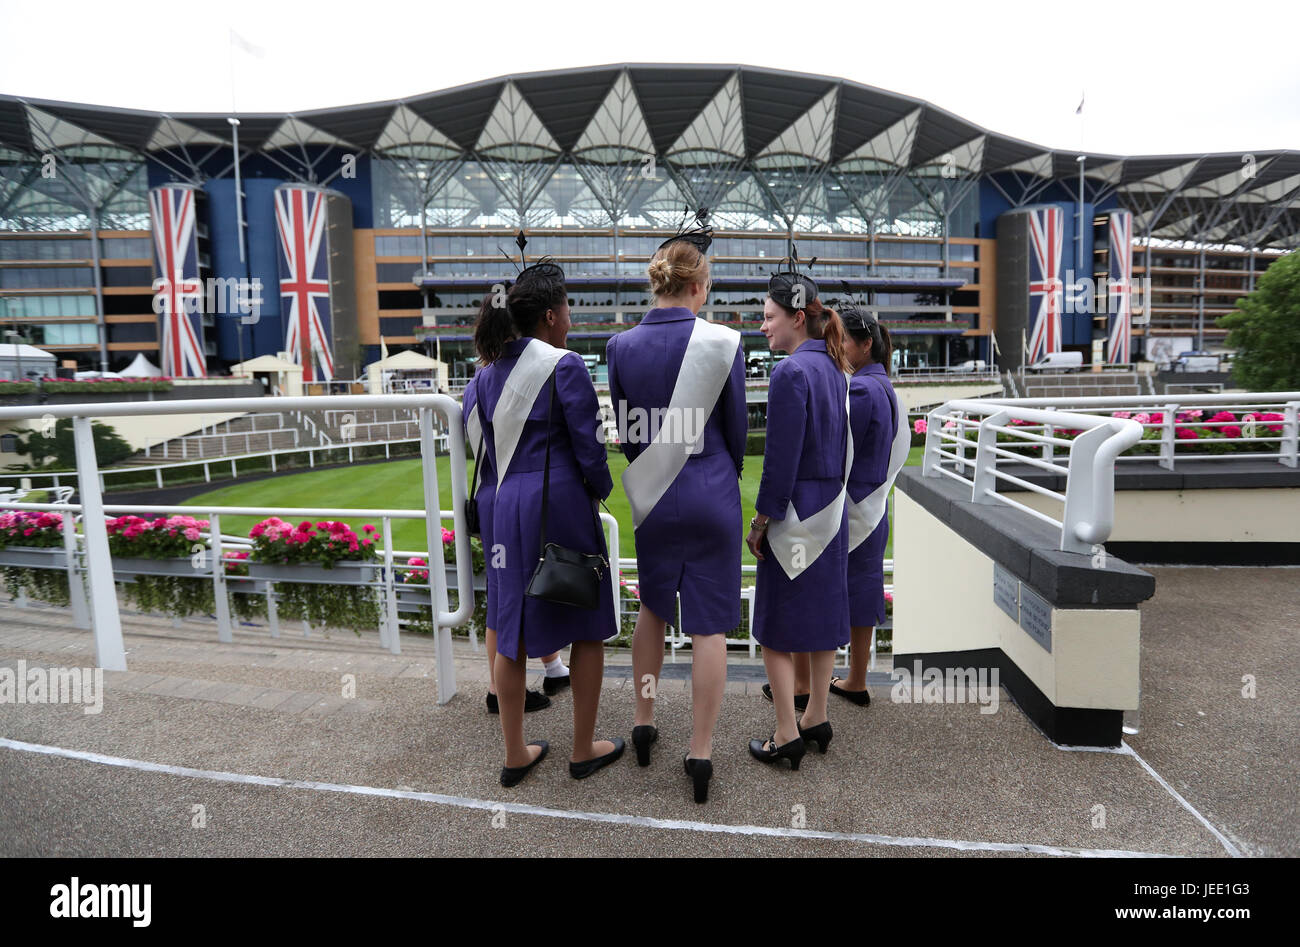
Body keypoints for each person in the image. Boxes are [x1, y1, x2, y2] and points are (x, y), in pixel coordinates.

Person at [606, 221, 746, 804]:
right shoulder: (724, 342)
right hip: (713, 488)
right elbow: (738, 430)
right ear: (700, 284)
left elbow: (627, 429)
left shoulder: (619, 347)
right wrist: (720, 474)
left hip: (654, 497)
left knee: (653, 610)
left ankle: (642, 719)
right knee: (710, 627)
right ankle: (701, 751)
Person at [471, 254, 623, 787]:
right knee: (585, 623)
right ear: (553, 316)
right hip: (557, 503)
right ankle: (583, 748)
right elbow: (591, 449)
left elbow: (479, 445)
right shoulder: (565, 365)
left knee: (508, 630)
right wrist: (601, 493)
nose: (571, 318)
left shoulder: (485, 374)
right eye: (569, 308)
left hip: (503, 509)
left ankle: (515, 752)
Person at [746, 267, 852, 770]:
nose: (762, 325)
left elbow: (779, 462)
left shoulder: (790, 372)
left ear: (794, 317)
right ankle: (817, 716)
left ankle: (786, 732)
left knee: (775, 626)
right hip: (831, 509)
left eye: (768, 317)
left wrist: (761, 522)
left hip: (795, 513)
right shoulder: (834, 366)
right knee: (822, 618)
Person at [462, 373, 570, 717]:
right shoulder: (519, 377)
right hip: (519, 496)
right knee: (512, 595)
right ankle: (500, 690)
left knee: (509, 590)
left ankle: (551, 669)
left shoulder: (475, 385)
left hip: (491, 498)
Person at [831, 307, 908, 705]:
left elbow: (836, 449)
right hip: (874, 507)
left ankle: (806, 685)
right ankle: (856, 679)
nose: (838, 346)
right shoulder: (884, 386)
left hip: (852, 508)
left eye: (843, 339)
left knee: (824, 593)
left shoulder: (860, 389)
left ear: (864, 345)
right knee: (862, 596)